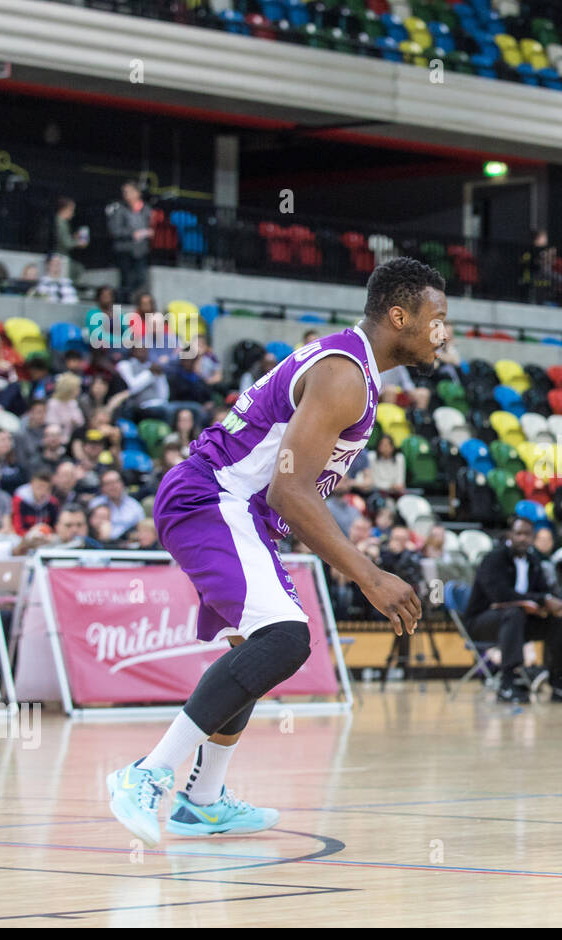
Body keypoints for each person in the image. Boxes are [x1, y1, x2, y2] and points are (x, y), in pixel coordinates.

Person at [104, 257, 444, 847]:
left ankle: (203, 801)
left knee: (254, 650)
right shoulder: (344, 374)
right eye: (437, 319)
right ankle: (147, 773)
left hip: (238, 509)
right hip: (214, 497)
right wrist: (369, 576)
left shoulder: (357, 368)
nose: (445, 333)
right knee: (285, 639)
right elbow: (290, 489)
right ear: (399, 315)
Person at [463, 517, 562, 703]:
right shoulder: (493, 559)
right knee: (514, 612)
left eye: (527, 534)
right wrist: (541, 600)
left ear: (533, 537)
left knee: (558, 620)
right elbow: (500, 596)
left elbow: (545, 592)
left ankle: (561, 685)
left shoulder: (534, 562)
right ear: (510, 535)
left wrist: (554, 603)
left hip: (518, 624)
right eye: (518, 533)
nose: (522, 538)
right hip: (481, 621)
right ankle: (508, 683)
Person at [106, 180, 153, 299]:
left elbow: (151, 225)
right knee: (125, 279)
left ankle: (128, 297)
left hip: (141, 250)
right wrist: (132, 234)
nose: (126, 194)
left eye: (129, 192)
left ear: (137, 193)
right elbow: (115, 230)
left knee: (140, 278)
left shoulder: (146, 210)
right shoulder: (119, 209)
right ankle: (123, 301)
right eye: (124, 192)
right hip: (124, 250)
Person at [88, 469, 144, 539]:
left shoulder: (134, 505)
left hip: (128, 545)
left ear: (122, 484)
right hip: (102, 544)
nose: (113, 486)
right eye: (108, 483)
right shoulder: (96, 503)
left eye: (116, 482)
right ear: (102, 488)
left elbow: (141, 527)